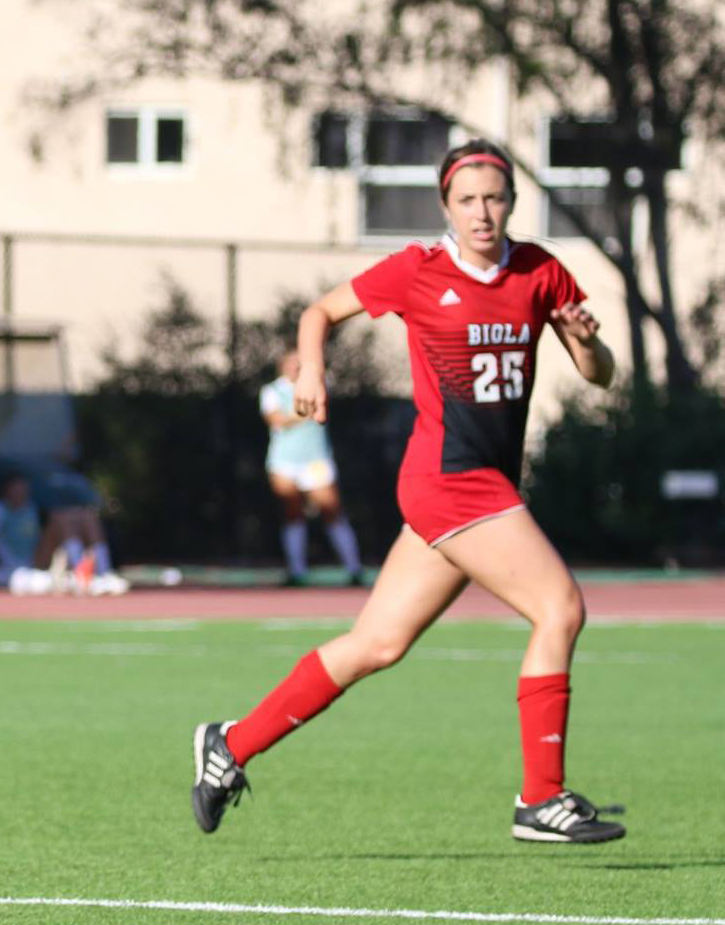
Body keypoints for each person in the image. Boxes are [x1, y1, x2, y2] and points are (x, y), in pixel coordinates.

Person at [191, 140, 622, 844]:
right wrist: (310, 375)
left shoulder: (540, 272)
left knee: (376, 643)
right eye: (467, 200)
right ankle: (540, 798)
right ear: (445, 206)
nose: (482, 213)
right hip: (449, 482)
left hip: (474, 489)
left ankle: (229, 746)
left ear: (511, 201)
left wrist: (585, 341)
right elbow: (318, 313)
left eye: (495, 198)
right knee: (558, 608)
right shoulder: (417, 271)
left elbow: (597, 374)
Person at [259, 349, 364, 586]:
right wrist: (303, 412)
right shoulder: (272, 391)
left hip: (316, 460)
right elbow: (277, 421)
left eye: (300, 363)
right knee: (293, 514)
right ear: (283, 366)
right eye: (292, 363)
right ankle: (297, 571)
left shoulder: (319, 384)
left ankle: (354, 569)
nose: (297, 368)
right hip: (284, 462)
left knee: (332, 511)